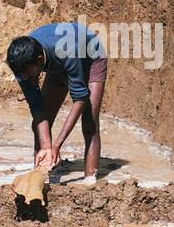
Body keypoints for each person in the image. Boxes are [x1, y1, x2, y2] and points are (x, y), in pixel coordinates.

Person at [6, 22, 107, 184]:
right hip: (58, 60)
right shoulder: (21, 67)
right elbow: (38, 109)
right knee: (37, 126)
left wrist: (57, 145)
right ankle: (41, 176)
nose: (25, 79)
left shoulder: (65, 50)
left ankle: (90, 180)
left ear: (39, 61)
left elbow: (80, 98)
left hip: (89, 55)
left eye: (29, 75)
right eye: (22, 75)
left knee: (90, 121)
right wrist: (47, 146)